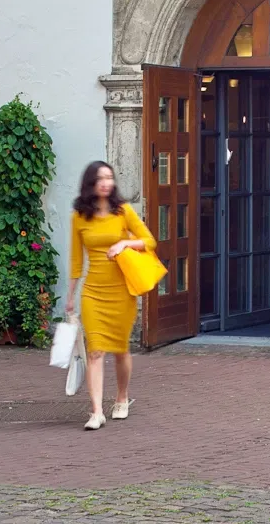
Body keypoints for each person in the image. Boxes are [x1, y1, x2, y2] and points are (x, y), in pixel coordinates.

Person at [65, 160, 156, 431]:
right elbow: (75, 261)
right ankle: (96, 412)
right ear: (90, 184)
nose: (106, 182)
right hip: (93, 291)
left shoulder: (123, 211)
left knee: (120, 349)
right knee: (95, 351)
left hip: (121, 290)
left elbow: (149, 241)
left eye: (109, 177)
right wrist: (71, 297)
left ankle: (122, 397)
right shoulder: (79, 217)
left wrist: (125, 242)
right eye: (100, 178)